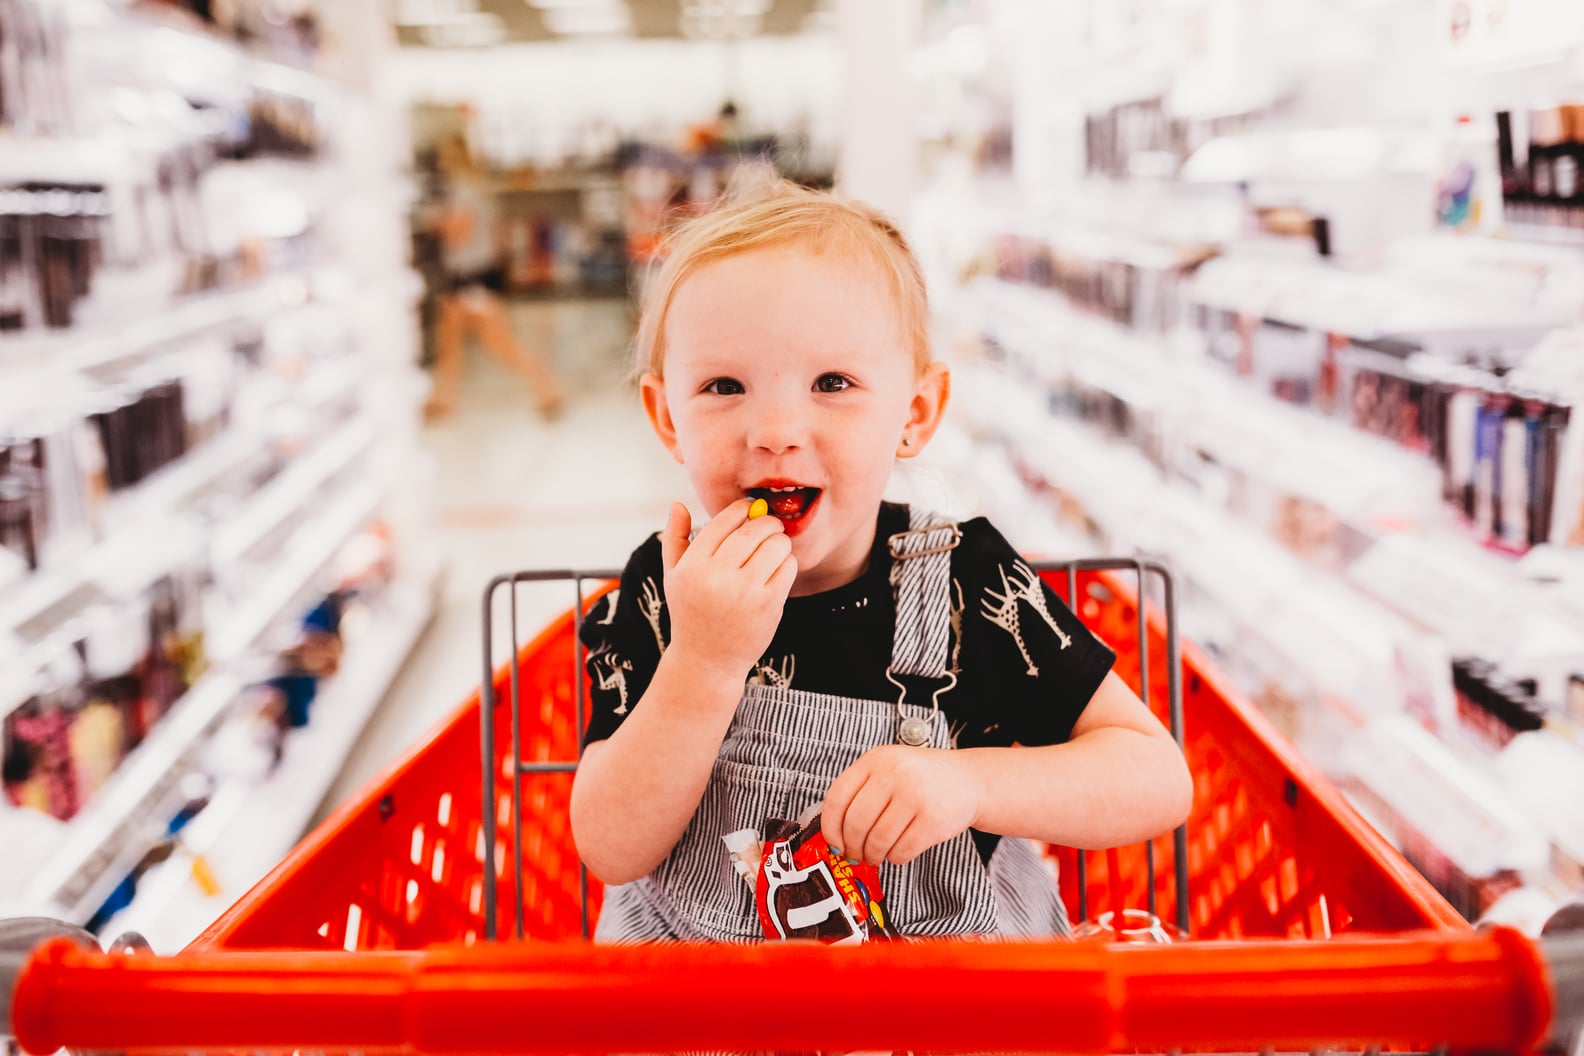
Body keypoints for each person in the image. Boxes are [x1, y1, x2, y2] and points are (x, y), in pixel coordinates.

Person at [568, 181, 1193, 943]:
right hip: (709, 1011)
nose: (775, 429)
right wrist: (701, 662)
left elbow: (1156, 779)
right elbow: (610, 845)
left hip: (938, 1013)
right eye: (722, 386)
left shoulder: (974, 584)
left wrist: (969, 783)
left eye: (833, 384)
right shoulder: (664, 590)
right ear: (669, 418)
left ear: (916, 414)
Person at [423, 136, 565, 422]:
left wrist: (436, 223)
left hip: (471, 278)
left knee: (498, 343)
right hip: (468, 276)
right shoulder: (475, 191)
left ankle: (547, 388)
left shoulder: (463, 193)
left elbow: (459, 232)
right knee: (450, 342)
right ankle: (442, 399)